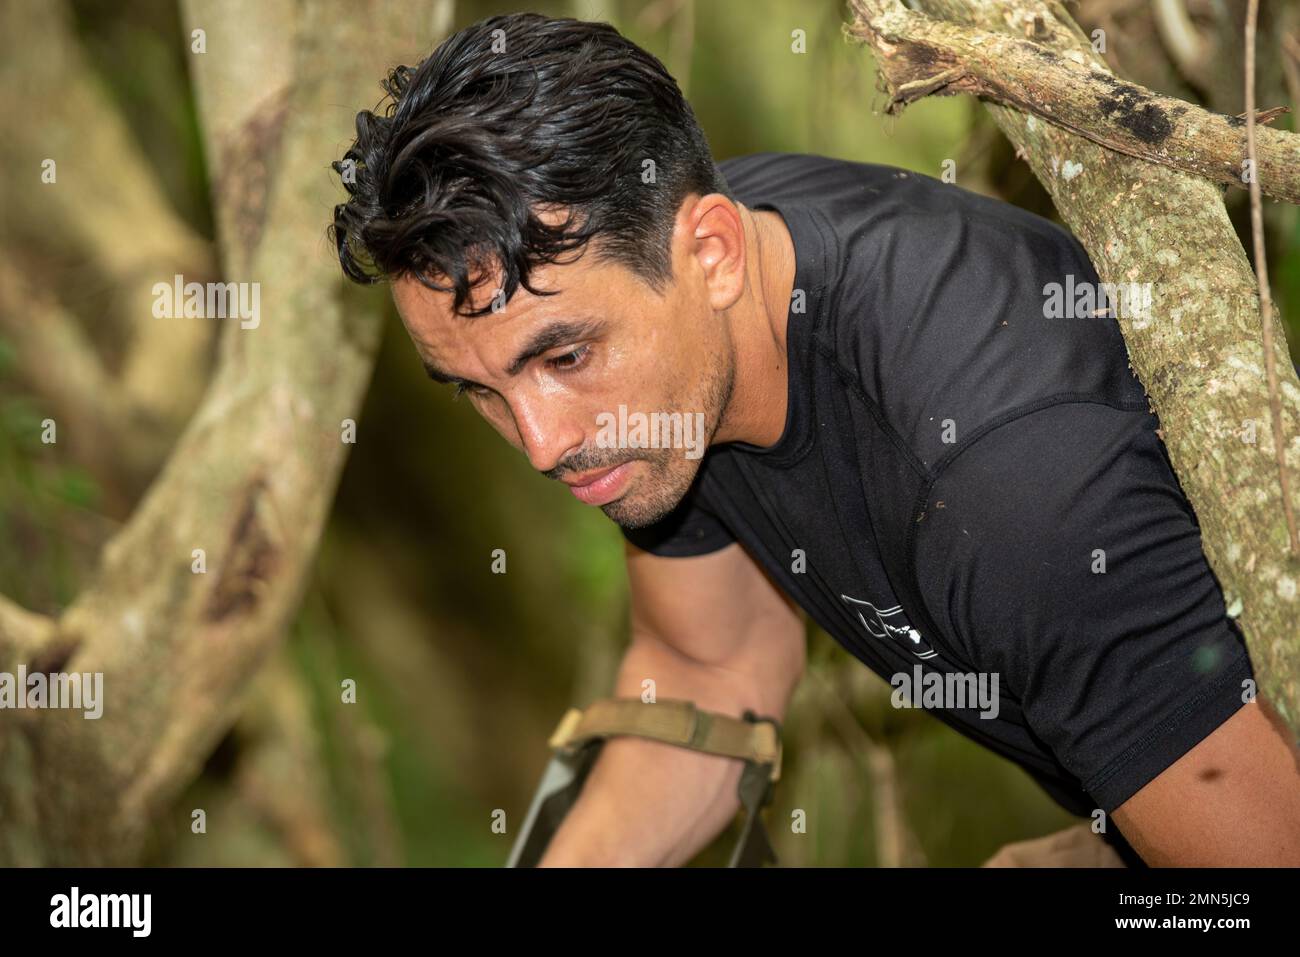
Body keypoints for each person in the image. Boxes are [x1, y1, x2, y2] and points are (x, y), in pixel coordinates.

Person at [328, 12, 1300, 867]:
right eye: (478, 390)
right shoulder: (684, 343)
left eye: (567, 358)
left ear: (708, 251)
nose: (542, 442)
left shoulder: (1018, 492)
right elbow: (714, 669)